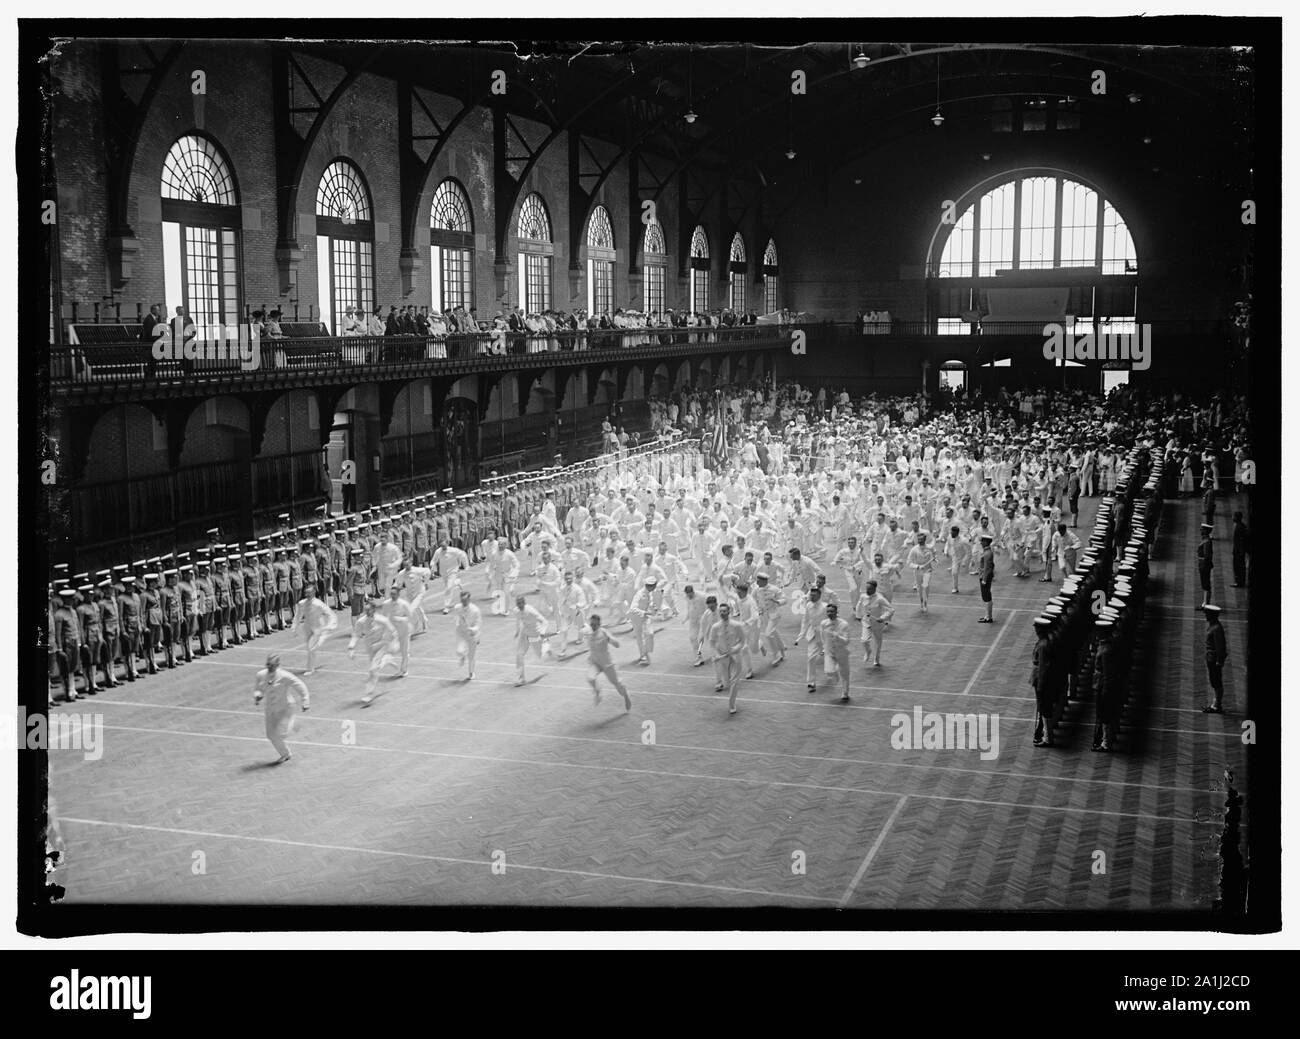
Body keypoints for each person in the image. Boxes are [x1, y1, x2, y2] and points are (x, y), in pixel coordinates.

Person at [252, 653, 310, 764]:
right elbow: (258, 689)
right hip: (270, 709)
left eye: (272, 665)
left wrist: (305, 701)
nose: (269, 667)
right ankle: (285, 754)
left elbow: (300, 685)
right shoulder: (260, 675)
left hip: (285, 708)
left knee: (281, 733)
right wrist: (257, 696)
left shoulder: (284, 676)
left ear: (278, 664)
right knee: (271, 735)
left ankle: (294, 724)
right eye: (268, 664)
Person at [349, 600, 402, 706]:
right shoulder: (361, 622)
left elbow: (393, 631)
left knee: (373, 669)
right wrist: (351, 647)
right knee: (375, 668)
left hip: (381, 646)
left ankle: (369, 694)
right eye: (366, 610)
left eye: (369, 609)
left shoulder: (382, 620)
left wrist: (394, 642)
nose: (367, 612)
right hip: (369, 647)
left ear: (374, 609)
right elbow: (356, 635)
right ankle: (387, 660)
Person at [584, 614, 632, 711]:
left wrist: (610, 639)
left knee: (617, 684)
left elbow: (617, 644)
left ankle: (626, 696)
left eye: (595, 625)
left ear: (599, 624)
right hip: (595, 662)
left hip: (607, 663)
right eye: (591, 624)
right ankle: (598, 692)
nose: (592, 626)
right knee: (590, 678)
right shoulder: (588, 632)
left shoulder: (604, 633)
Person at [708, 601, 746, 715]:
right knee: (727, 682)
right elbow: (712, 641)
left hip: (736, 657)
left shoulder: (737, 625)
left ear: (729, 611)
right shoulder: (715, 627)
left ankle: (731, 704)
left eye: (724, 611)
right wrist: (716, 654)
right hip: (722, 657)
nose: (722, 613)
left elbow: (742, 641)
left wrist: (734, 649)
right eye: (720, 611)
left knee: (735, 681)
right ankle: (729, 692)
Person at [513, 594, 552, 685]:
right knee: (519, 654)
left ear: (524, 603)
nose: (519, 606)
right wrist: (517, 631)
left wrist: (542, 632)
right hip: (524, 634)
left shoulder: (531, 611)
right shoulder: (516, 610)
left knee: (540, 655)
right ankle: (521, 679)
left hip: (535, 633)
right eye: (517, 604)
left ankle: (546, 647)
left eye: (520, 603)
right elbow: (518, 620)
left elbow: (545, 622)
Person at [820, 602, 853, 702]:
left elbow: (847, 641)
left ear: (836, 612)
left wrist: (837, 636)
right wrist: (824, 648)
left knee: (845, 673)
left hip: (841, 652)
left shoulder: (844, 624)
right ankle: (835, 676)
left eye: (832, 611)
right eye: (828, 612)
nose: (830, 613)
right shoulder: (824, 624)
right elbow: (823, 637)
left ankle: (845, 692)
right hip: (830, 651)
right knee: (829, 671)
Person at [1201, 604, 1228, 713]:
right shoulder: (1213, 625)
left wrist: (1219, 661)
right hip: (1211, 658)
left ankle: (1216, 705)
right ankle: (1215, 704)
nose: (1206, 615)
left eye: (1207, 614)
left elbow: (1220, 647)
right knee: (1214, 681)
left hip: (1214, 660)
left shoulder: (1216, 628)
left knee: (1216, 682)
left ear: (1213, 615)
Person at [452, 587, 482, 679]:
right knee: (459, 651)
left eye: (465, 600)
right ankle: (462, 656)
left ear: (469, 599)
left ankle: (471, 673)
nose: (463, 602)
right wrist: (457, 623)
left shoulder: (475, 610)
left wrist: (473, 630)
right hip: (461, 632)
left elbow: (478, 624)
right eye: (462, 600)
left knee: (471, 655)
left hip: (472, 634)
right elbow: (456, 618)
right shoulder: (457, 608)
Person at [906, 531, 936, 613]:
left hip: (927, 570)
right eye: (918, 539)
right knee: (919, 588)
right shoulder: (914, 550)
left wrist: (935, 559)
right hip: (918, 571)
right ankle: (921, 602)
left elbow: (933, 554)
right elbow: (909, 562)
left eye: (921, 539)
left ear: (925, 539)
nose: (920, 541)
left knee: (925, 586)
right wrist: (917, 566)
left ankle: (925, 603)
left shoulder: (930, 548)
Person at [976, 533, 996, 623]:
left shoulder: (987, 553)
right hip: (986, 576)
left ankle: (988, 617)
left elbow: (987, 568)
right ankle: (987, 616)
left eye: (982, 541)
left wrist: (984, 579)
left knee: (986, 596)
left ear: (986, 542)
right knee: (986, 596)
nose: (981, 542)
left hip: (985, 577)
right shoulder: (987, 551)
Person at [1196, 523, 1214, 608]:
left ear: (1206, 531)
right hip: (1203, 564)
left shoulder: (1207, 541)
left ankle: (1206, 604)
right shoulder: (1206, 540)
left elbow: (1207, 555)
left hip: (1204, 565)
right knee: (1204, 583)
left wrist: (1204, 566)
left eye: (1202, 529)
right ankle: (1205, 603)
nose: (1200, 531)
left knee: (1206, 584)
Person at [1231, 511, 1250, 587]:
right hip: (1237, 550)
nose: (1232, 518)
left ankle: (1239, 582)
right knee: (1239, 566)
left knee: (1238, 567)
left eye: (1233, 516)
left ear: (1237, 518)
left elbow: (1242, 540)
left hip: (1239, 551)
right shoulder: (1240, 526)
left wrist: (1242, 551)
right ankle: (1240, 581)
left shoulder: (1240, 527)